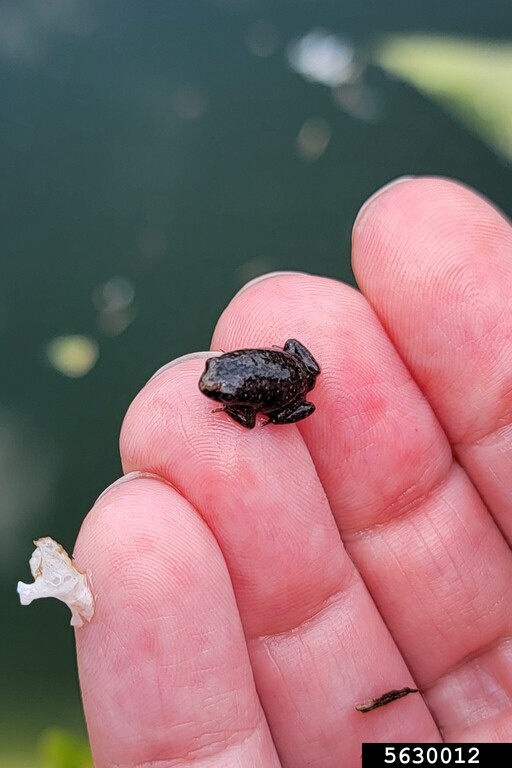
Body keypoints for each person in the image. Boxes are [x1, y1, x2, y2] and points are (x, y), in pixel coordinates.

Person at [73, 177, 512, 766]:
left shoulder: (241, 393)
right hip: (284, 368)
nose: (211, 391)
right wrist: (254, 379)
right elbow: (247, 367)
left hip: (283, 382)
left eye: (217, 389)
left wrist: (241, 404)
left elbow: (253, 423)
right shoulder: (230, 371)